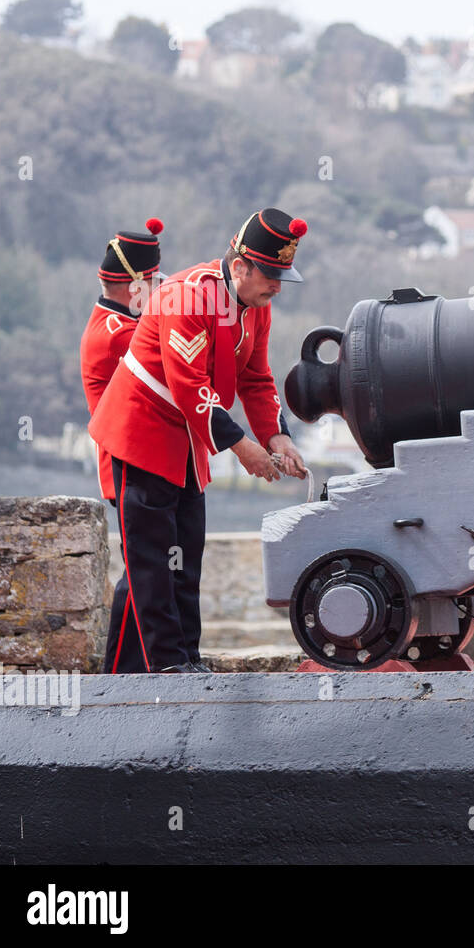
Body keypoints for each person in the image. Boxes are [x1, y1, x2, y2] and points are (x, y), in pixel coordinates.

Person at [88, 208, 309, 673]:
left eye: (281, 276)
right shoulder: (186, 297)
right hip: (142, 434)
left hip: (188, 441)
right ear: (240, 267)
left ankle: (176, 660)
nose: (276, 286)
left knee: (184, 561)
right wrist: (243, 448)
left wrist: (276, 436)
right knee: (151, 566)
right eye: (270, 275)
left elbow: (257, 378)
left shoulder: (254, 309)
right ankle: (169, 668)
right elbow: (188, 384)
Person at [80, 218, 166, 670]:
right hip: (131, 462)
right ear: (136, 284)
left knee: (149, 571)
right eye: (153, 280)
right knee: (142, 574)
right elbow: (167, 357)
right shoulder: (118, 334)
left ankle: (140, 666)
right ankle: (121, 671)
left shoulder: (124, 322)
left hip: (144, 460)